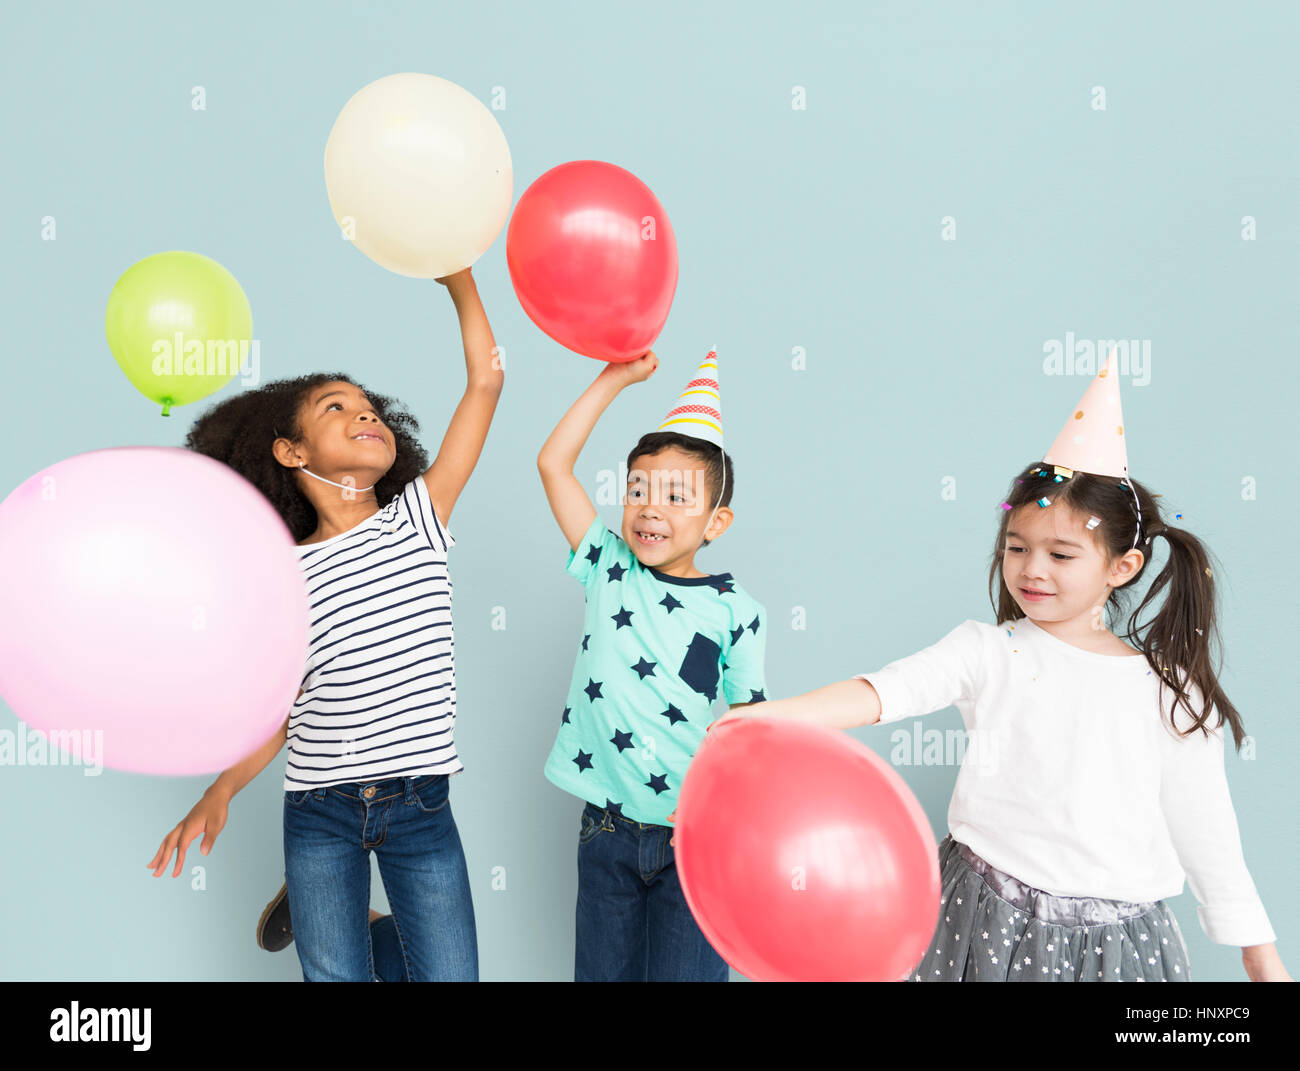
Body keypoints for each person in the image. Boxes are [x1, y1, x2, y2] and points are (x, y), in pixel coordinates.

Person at [721, 351, 1290, 982]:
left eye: (1061, 553)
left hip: (1116, 947)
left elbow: (1205, 825)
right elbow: (887, 691)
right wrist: (776, 717)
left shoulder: (1170, 693)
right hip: (979, 914)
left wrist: (1259, 953)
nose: (1032, 568)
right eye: (1017, 547)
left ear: (1120, 568)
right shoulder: (990, 649)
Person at [146, 268, 502, 981]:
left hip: (419, 801)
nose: (365, 413)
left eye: (372, 407)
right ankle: (347, 920)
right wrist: (220, 790)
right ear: (291, 452)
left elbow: (485, 383)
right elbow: (283, 707)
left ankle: (371, 924)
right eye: (338, 407)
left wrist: (461, 283)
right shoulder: (280, 572)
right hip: (320, 808)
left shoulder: (418, 520)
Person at [537, 348, 767, 981]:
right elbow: (553, 464)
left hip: (695, 834)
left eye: (674, 496)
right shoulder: (609, 568)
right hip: (605, 826)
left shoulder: (736, 609)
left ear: (716, 521)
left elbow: (751, 726)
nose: (648, 507)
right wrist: (614, 379)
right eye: (636, 489)